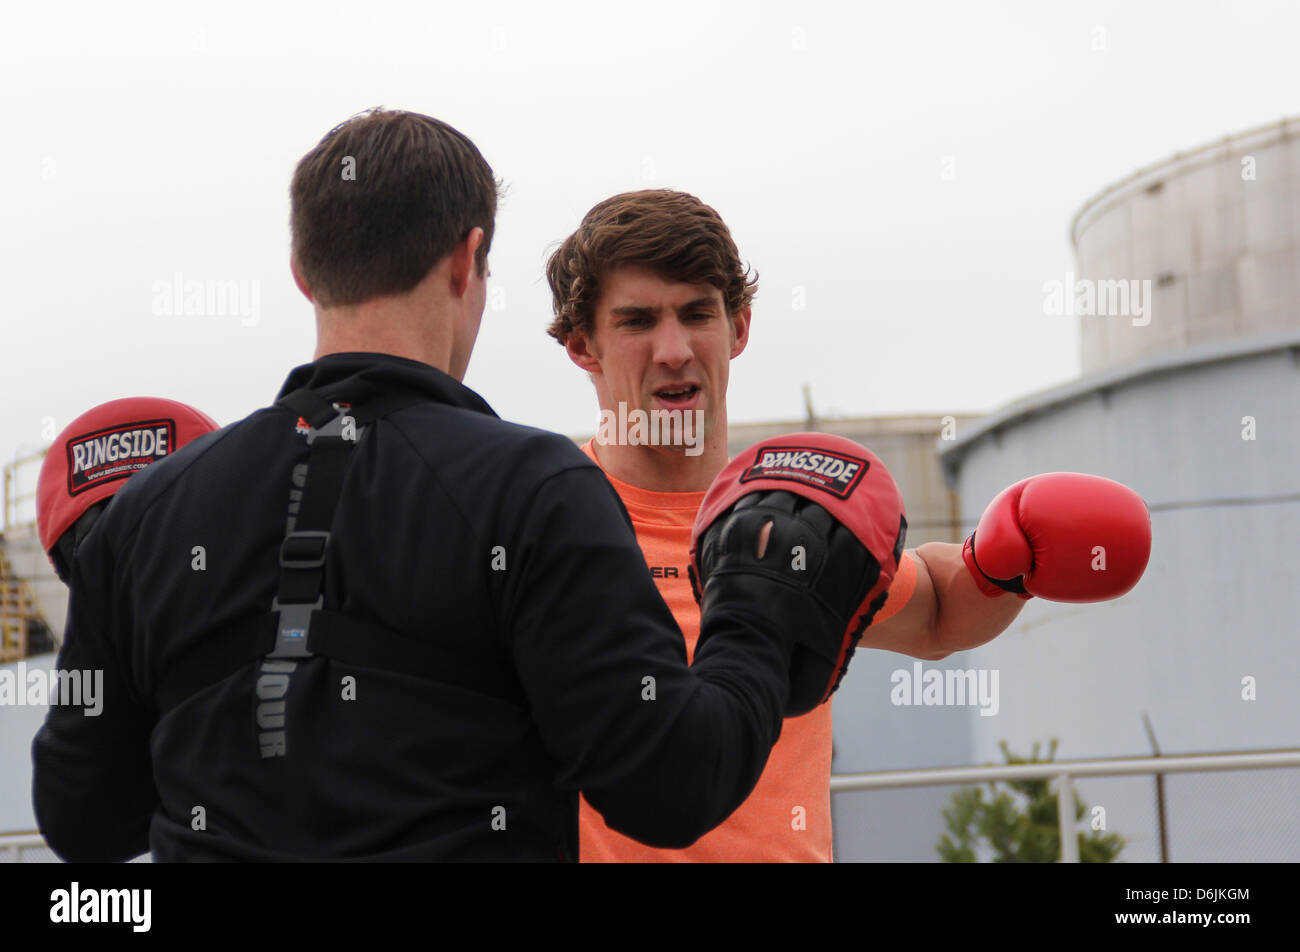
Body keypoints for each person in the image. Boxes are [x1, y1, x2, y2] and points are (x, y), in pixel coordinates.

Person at [30, 110, 903, 862]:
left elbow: (83, 821)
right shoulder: (536, 489)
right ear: (466, 259)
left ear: (304, 272)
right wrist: (753, 612)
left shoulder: (149, 514)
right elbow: (667, 786)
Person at [545, 189, 1152, 862]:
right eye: (637, 321)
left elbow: (936, 614)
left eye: (697, 314)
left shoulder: (787, 516)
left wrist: (1002, 563)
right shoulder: (544, 521)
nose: (674, 349)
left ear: (739, 328)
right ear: (582, 346)